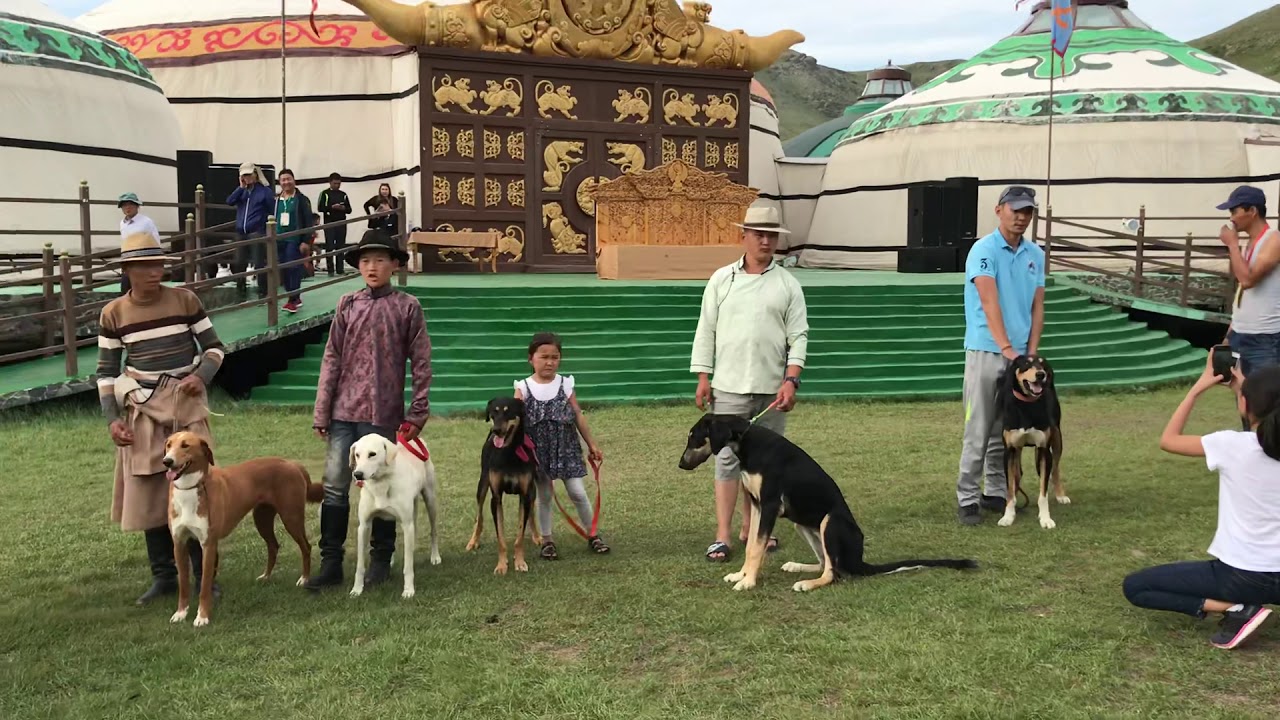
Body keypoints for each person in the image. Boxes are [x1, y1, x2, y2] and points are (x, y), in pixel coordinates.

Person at [96, 232, 226, 605]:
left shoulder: (185, 301)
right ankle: (164, 576)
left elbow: (215, 349)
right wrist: (112, 419)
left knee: (200, 487)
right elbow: (106, 372)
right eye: (145, 266)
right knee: (152, 493)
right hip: (142, 411)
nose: (155, 272)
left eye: (158, 264)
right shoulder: (113, 313)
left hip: (185, 409)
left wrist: (198, 376)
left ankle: (206, 577)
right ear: (128, 270)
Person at [1121, 355, 1280, 650]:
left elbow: (1169, 439)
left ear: (1245, 405)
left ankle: (1235, 609)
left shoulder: (1231, 446)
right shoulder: (1241, 444)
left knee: (1136, 586)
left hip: (1239, 577)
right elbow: (1264, 432)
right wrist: (1244, 391)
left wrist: (1198, 388)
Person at [308, 228, 433, 591]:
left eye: (380, 259)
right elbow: (332, 357)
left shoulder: (407, 306)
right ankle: (331, 563)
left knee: (382, 481)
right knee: (335, 484)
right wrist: (322, 410)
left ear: (394, 264)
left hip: (384, 413)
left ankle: (381, 559)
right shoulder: (348, 304)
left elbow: (421, 362)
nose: (372, 266)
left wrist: (417, 412)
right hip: (343, 410)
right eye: (365, 260)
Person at [689, 204, 808, 562]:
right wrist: (703, 376)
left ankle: (754, 528)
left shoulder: (787, 283)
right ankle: (723, 535)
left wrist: (791, 380)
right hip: (728, 385)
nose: (765, 240)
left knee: (763, 462)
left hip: (771, 388)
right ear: (744, 235)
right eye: (759, 233)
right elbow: (706, 328)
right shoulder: (722, 279)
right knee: (726, 459)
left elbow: (798, 335)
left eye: (771, 235)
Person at [954, 185, 1046, 526]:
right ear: (999, 210)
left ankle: (995, 491)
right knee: (978, 426)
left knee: (1004, 426)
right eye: (1016, 210)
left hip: (1021, 358)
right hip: (986, 350)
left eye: (1028, 212)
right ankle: (966, 497)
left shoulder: (1036, 254)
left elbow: (1038, 306)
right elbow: (989, 301)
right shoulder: (983, 250)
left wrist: (1031, 353)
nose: (1021, 217)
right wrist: (1007, 348)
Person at [513, 332, 609, 559]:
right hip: (538, 453)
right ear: (531, 359)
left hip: (567, 449)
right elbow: (514, 420)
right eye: (543, 356)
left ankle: (593, 535)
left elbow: (577, 415)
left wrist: (592, 444)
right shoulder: (523, 387)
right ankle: (547, 541)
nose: (549, 362)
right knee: (544, 495)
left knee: (577, 491)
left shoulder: (565, 384)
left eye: (555, 357)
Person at [1217, 186, 1280, 377]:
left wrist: (1232, 245)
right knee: (1243, 401)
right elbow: (1242, 294)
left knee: (1266, 401)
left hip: (1265, 338)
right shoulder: (1246, 245)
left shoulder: (1274, 239)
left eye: (1234, 211)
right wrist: (1230, 334)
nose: (1231, 218)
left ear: (1252, 211)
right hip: (1240, 333)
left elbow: (1247, 280)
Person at [226, 163, 275, 298]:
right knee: (239, 262)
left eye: (249, 174)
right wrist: (240, 188)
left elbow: (272, 210)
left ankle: (263, 292)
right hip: (241, 232)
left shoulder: (265, 191)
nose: (247, 178)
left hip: (257, 231)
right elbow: (229, 201)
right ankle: (240, 291)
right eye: (244, 175)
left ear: (255, 174)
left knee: (259, 263)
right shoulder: (242, 192)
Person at [273, 168, 316, 313]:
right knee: (284, 268)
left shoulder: (301, 199)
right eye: (283, 180)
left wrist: (305, 240)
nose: (286, 182)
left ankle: (294, 298)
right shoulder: (277, 199)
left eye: (288, 179)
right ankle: (291, 296)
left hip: (294, 238)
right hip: (279, 239)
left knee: (293, 267)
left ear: (294, 180)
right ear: (279, 182)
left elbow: (308, 221)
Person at [116, 192, 161, 296]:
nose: (127, 208)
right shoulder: (122, 223)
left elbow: (155, 241)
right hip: (128, 260)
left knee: (143, 291)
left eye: (130, 204)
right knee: (126, 291)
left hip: (144, 260)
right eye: (124, 205)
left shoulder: (146, 222)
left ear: (137, 206)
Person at [317, 173, 353, 276]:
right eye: (335, 183)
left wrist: (343, 208)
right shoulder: (325, 193)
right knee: (329, 246)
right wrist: (331, 207)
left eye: (339, 183)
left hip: (341, 222)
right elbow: (320, 207)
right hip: (329, 223)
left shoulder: (343, 194)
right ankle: (330, 270)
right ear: (330, 182)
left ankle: (340, 269)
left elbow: (349, 209)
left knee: (340, 246)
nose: (337, 185)